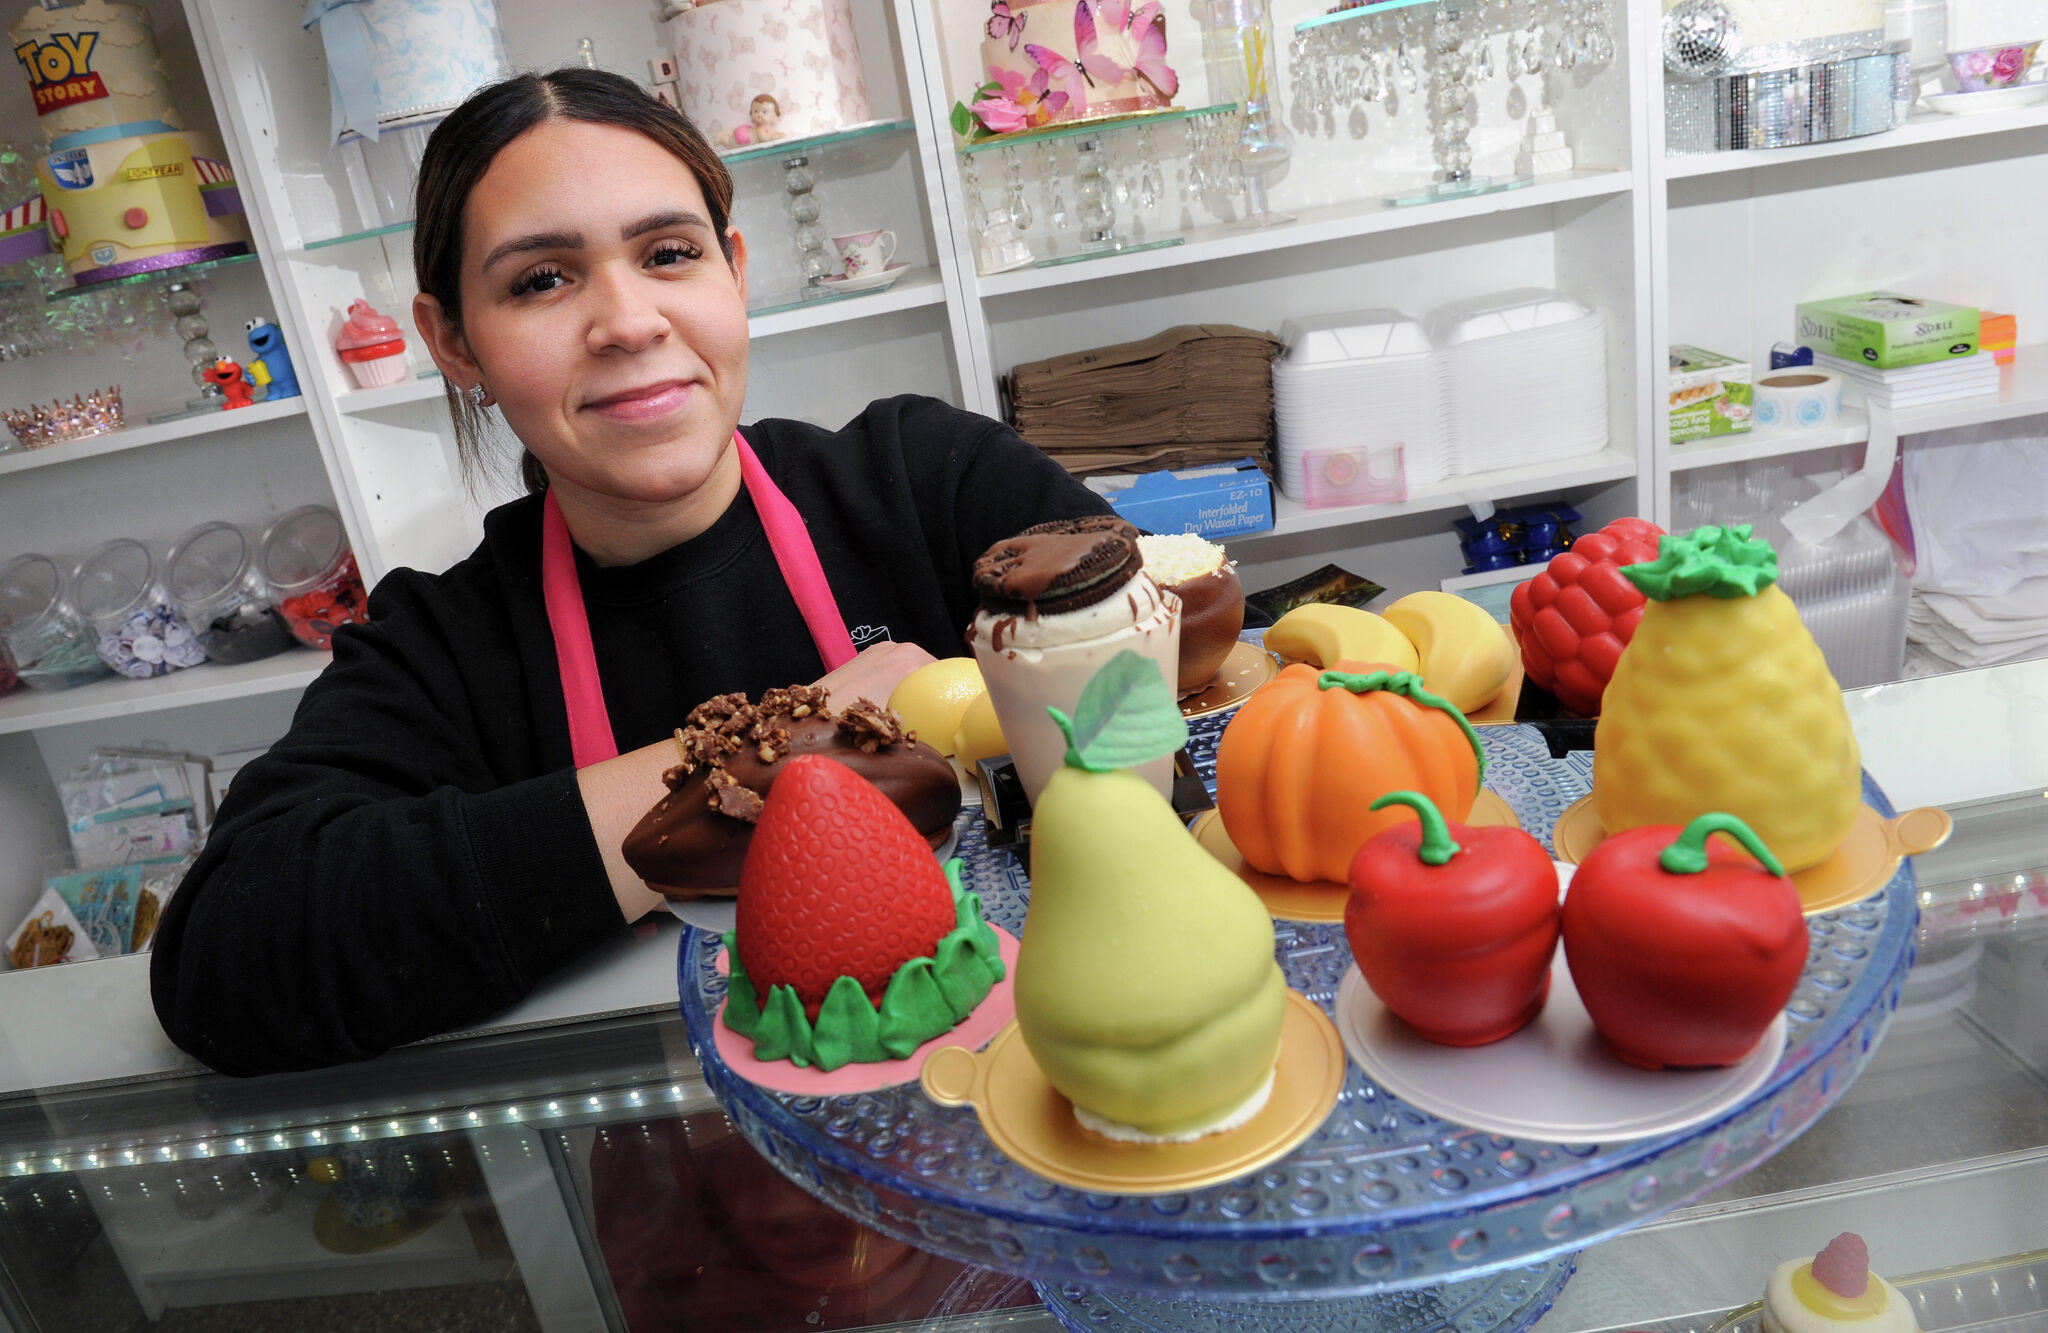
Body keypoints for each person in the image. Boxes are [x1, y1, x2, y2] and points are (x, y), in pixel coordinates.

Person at [149, 67, 1110, 1077]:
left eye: (668, 254)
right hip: (678, 1182)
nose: (629, 321)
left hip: (1009, 1112)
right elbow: (227, 957)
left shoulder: (926, 482)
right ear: (453, 343)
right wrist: (782, 753)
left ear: (732, 274)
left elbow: (1163, 699)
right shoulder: (444, 644)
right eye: (541, 280)